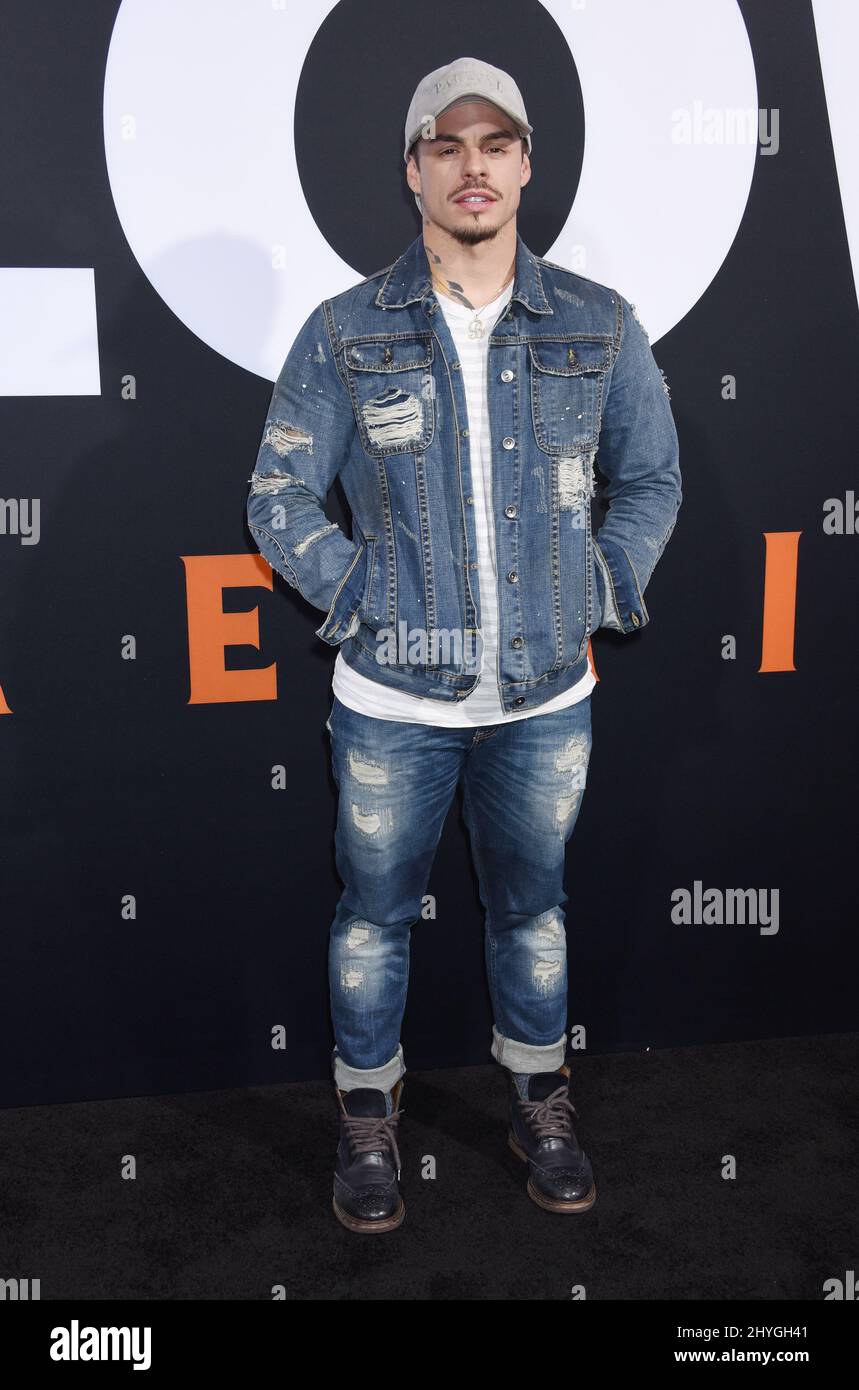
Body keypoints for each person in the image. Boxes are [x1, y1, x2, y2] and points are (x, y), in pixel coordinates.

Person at [247, 57, 682, 1233]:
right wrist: (364, 594)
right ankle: (367, 1115)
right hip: (390, 699)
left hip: (546, 696)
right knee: (372, 914)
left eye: (495, 142)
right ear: (413, 171)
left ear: (527, 163)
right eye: (446, 144)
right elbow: (279, 495)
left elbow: (650, 480)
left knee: (532, 911)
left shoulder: (598, 323)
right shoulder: (345, 329)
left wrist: (595, 582)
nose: (472, 163)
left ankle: (540, 1096)